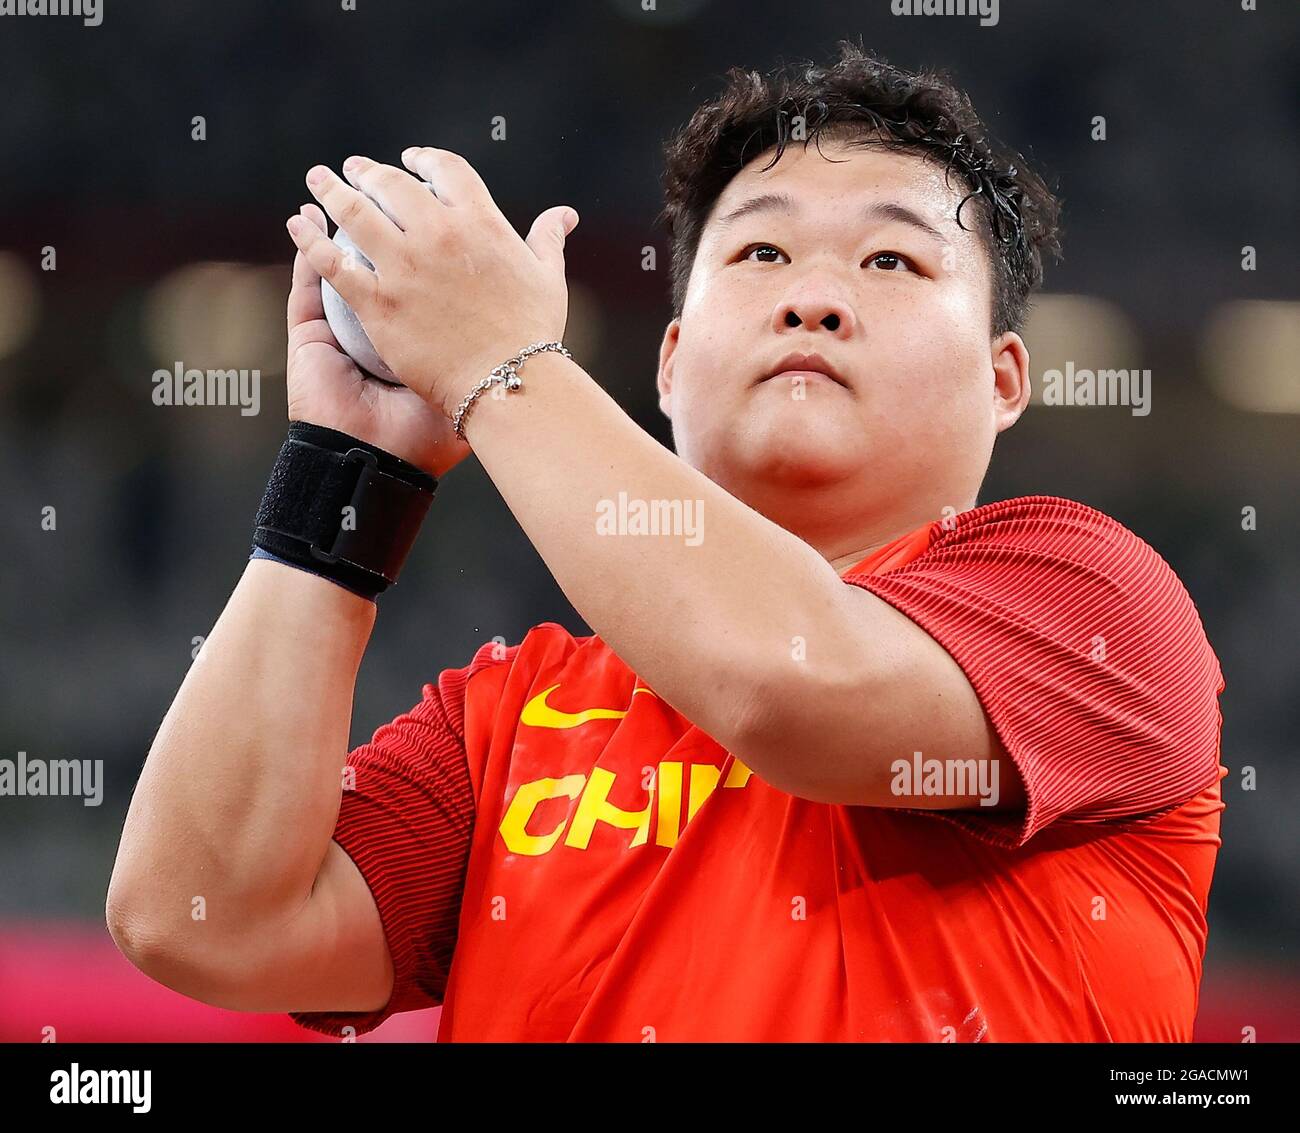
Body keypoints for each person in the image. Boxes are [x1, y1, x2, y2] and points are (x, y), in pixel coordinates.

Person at [107, 41, 1226, 1042]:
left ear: (1001, 380)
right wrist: (347, 474)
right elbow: (200, 917)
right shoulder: (509, 716)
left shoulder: (1096, 599)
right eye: (759, 256)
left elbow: (787, 685)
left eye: (892, 263)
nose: (814, 300)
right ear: (670, 363)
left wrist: (500, 364)